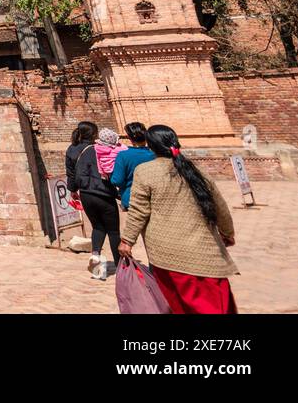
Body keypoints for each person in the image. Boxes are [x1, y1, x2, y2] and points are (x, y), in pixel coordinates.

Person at [119, 124, 238, 314]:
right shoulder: (196, 171)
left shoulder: (146, 171)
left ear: (151, 146)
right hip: (207, 254)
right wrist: (227, 233)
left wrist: (127, 241)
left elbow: (139, 211)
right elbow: (220, 208)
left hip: (166, 254)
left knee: (179, 305)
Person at [67, 120, 121, 279]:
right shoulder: (99, 148)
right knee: (113, 231)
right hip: (103, 193)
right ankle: (120, 267)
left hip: (85, 194)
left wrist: (72, 190)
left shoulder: (72, 149)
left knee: (97, 228)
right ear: (94, 134)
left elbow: (70, 173)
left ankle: (97, 265)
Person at [110, 122, 155, 210]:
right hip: (153, 197)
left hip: (132, 198)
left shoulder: (123, 155)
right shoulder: (154, 154)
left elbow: (117, 180)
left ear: (129, 138)